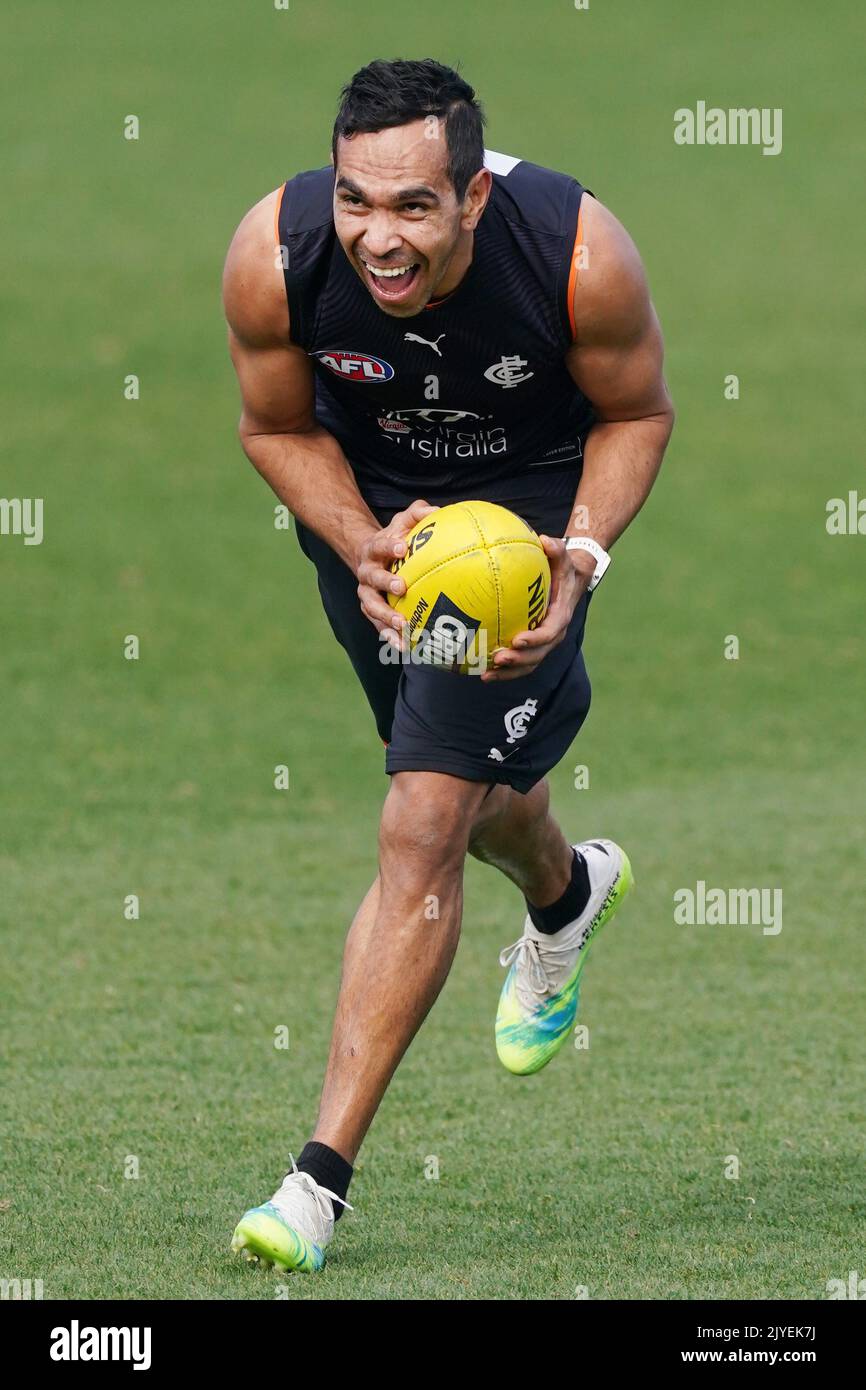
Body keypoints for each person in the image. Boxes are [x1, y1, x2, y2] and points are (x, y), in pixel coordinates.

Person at [222, 58, 674, 1273]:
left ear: (471, 197)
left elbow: (636, 414)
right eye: (358, 199)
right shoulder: (276, 252)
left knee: (421, 814)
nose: (379, 236)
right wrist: (355, 540)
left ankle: (313, 1186)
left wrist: (576, 556)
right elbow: (275, 425)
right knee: (472, 799)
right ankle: (565, 896)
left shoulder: (576, 255)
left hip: (518, 534)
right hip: (382, 530)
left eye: (415, 206)